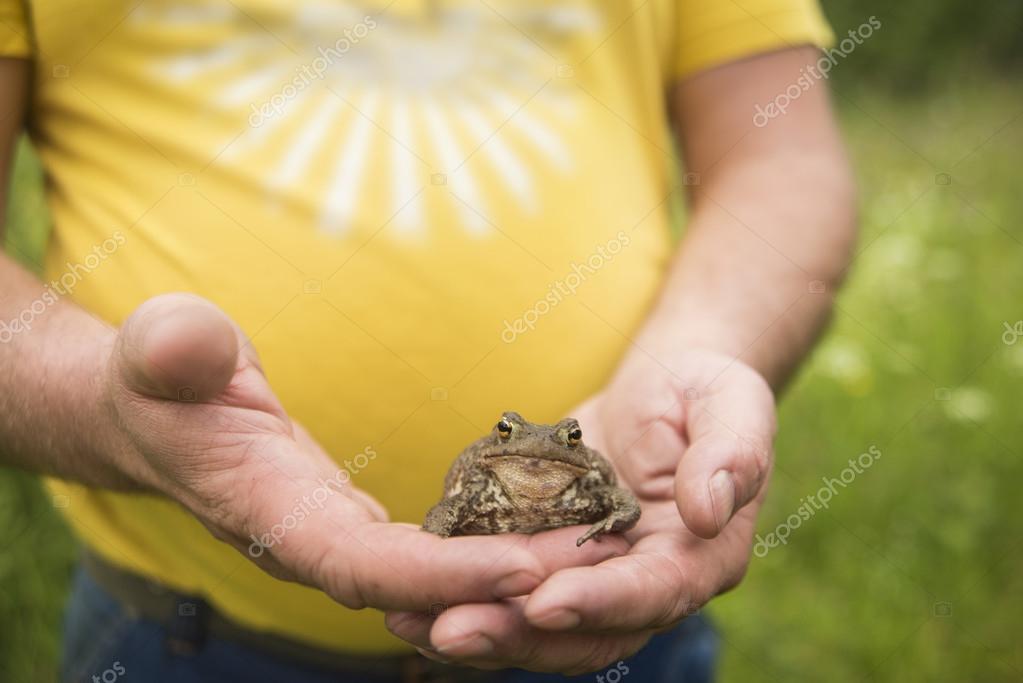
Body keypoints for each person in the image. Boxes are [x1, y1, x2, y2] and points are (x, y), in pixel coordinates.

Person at [0, 0, 856, 680]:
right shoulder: (485, 471)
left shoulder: (586, 472)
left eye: (551, 443)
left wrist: (701, 348)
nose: (535, 451)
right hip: (176, 629)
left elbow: (780, 161)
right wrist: (106, 407)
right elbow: (457, 503)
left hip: (626, 629)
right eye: (518, 436)